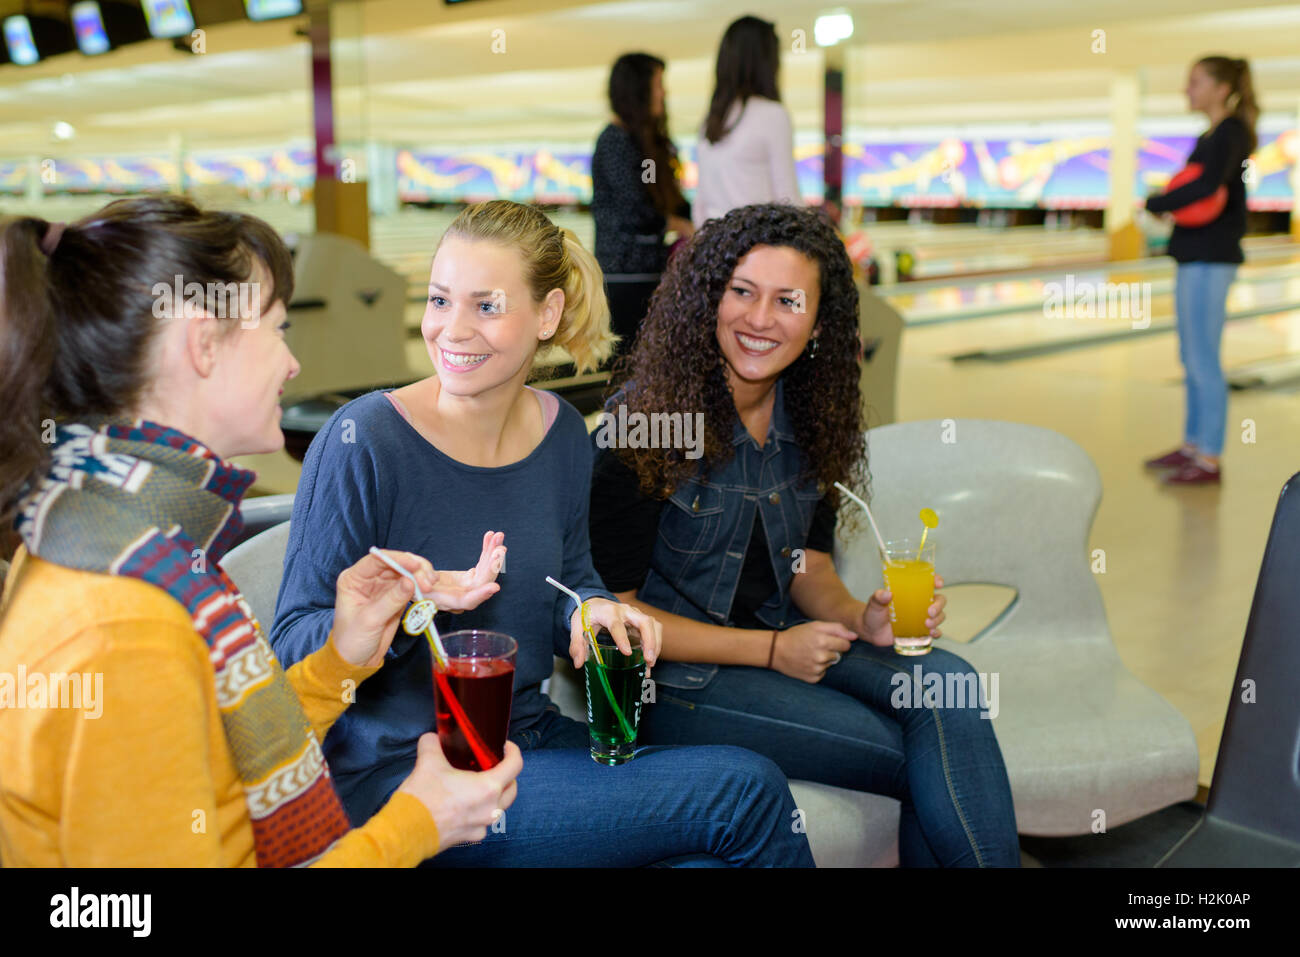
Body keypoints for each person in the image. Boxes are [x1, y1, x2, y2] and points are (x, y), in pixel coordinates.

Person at [269, 199, 814, 867]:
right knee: (746, 789)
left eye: (486, 306)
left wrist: (588, 611)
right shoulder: (363, 442)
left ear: (548, 315)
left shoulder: (561, 435)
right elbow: (289, 647)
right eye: (440, 299)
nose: (451, 329)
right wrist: (392, 612)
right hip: (403, 776)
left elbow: (570, 578)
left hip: (526, 739)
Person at [0, 197, 521, 866]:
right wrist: (418, 823)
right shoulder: (125, 617)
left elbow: (215, 764)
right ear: (204, 343)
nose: (293, 365)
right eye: (277, 329)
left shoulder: (110, 530)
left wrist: (343, 656)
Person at [589, 202, 1021, 867]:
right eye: (742, 292)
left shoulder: (813, 415)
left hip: (790, 638)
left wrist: (862, 615)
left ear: (819, 321)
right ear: (707, 298)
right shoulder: (641, 429)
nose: (760, 319)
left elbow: (807, 566)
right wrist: (770, 651)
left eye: (788, 300)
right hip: (674, 680)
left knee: (943, 681)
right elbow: (613, 619)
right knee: (921, 752)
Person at [1143, 56, 1258, 485]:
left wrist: (1156, 203)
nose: (1186, 90)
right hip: (1194, 253)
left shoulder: (1231, 133)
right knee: (1190, 356)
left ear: (1221, 88)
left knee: (1204, 359)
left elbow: (1206, 187)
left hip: (1214, 255)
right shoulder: (1208, 135)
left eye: (1194, 82)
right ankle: (1192, 444)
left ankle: (1209, 458)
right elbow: (1193, 188)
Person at [592, 52, 693, 365]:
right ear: (637, 90)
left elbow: (666, 201)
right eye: (658, 84)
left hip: (649, 273)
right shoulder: (614, 141)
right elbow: (634, 209)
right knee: (629, 368)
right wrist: (674, 223)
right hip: (623, 277)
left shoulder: (644, 142)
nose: (664, 93)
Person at [692, 15, 800, 228]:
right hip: (757, 248)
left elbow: (700, 207)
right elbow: (787, 200)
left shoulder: (710, 122)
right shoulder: (773, 115)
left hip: (715, 248)